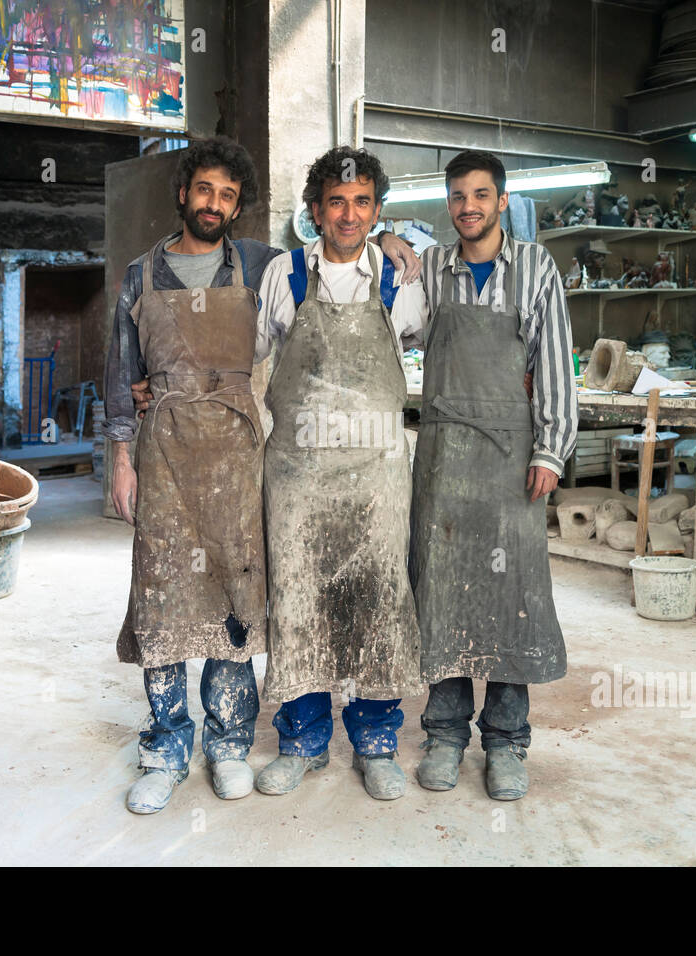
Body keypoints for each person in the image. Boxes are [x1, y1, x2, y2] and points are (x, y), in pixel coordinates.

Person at [106, 138, 419, 814]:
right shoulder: (179, 274)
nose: (213, 204)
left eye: (363, 204)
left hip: (317, 469)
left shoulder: (293, 267)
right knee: (198, 603)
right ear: (184, 194)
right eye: (203, 191)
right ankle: (192, 746)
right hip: (214, 460)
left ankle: (301, 744)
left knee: (307, 603)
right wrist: (127, 439)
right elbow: (149, 366)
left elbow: (416, 335)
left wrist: (392, 237)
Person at [250, 146, 427, 801]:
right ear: (314, 211)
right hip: (297, 474)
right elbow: (250, 358)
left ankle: (377, 743)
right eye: (335, 202)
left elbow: (430, 332)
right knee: (299, 599)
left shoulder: (399, 274)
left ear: (376, 210)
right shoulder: (284, 275)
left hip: (377, 474)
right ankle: (301, 743)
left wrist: (399, 241)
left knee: (376, 599)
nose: (347, 215)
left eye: (361, 203)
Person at [409, 149, 576, 801]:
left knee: (512, 599)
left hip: (512, 459)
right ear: (448, 205)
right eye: (457, 197)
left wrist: (551, 452)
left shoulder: (535, 268)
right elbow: (386, 307)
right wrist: (392, 238)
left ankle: (507, 741)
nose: (469, 207)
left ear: (502, 201)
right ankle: (445, 733)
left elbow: (556, 364)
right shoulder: (433, 269)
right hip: (445, 455)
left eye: (481, 195)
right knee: (444, 593)